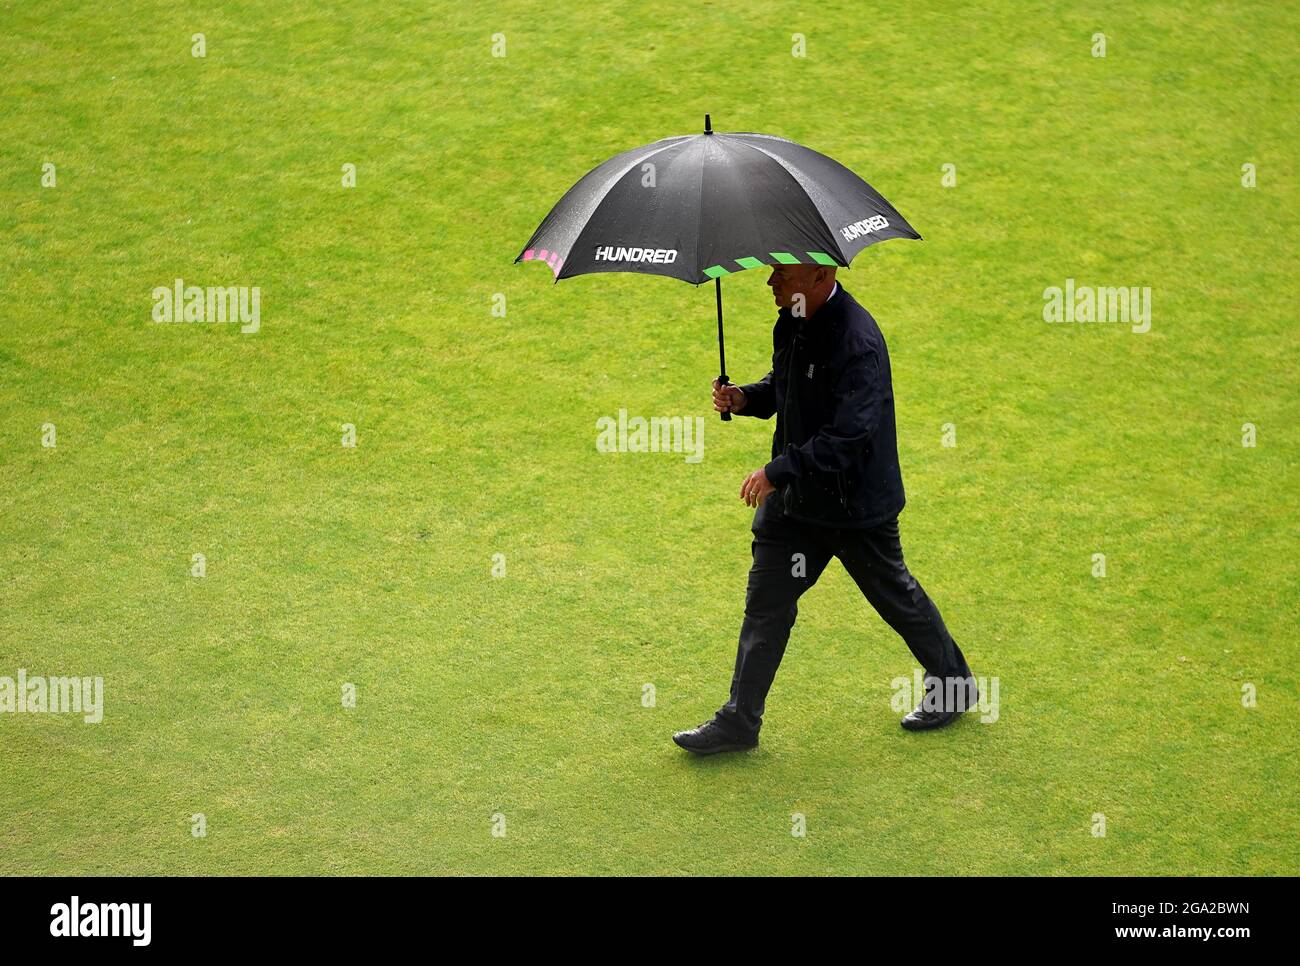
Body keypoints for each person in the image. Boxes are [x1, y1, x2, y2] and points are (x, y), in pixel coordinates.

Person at [673, 264, 978, 754]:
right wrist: (745, 397)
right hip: (795, 509)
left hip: (854, 507)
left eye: (783, 275)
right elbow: (785, 386)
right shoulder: (793, 317)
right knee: (766, 605)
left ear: (821, 276)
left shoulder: (859, 343)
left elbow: (847, 437)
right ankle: (738, 722)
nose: (771, 282)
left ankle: (954, 685)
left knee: (895, 597)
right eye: (773, 272)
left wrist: (775, 473)